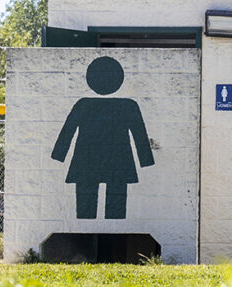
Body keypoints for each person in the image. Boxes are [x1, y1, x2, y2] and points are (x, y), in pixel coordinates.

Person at [51, 56, 155, 219]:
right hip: (119, 161)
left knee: (86, 206)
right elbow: (139, 136)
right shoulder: (129, 106)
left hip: (86, 161)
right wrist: (145, 160)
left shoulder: (83, 104)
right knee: (116, 205)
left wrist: (59, 155)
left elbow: (67, 132)